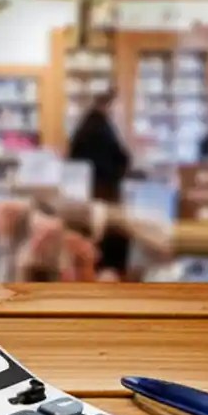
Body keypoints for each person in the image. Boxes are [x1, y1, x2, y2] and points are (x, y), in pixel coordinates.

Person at [68, 89, 131, 278]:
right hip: (104, 189)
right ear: (109, 105)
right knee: (111, 230)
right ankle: (110, 272)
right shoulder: (103, 127)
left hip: (86, 190)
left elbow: (73, 156)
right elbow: (120, 157)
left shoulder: (84, 125)